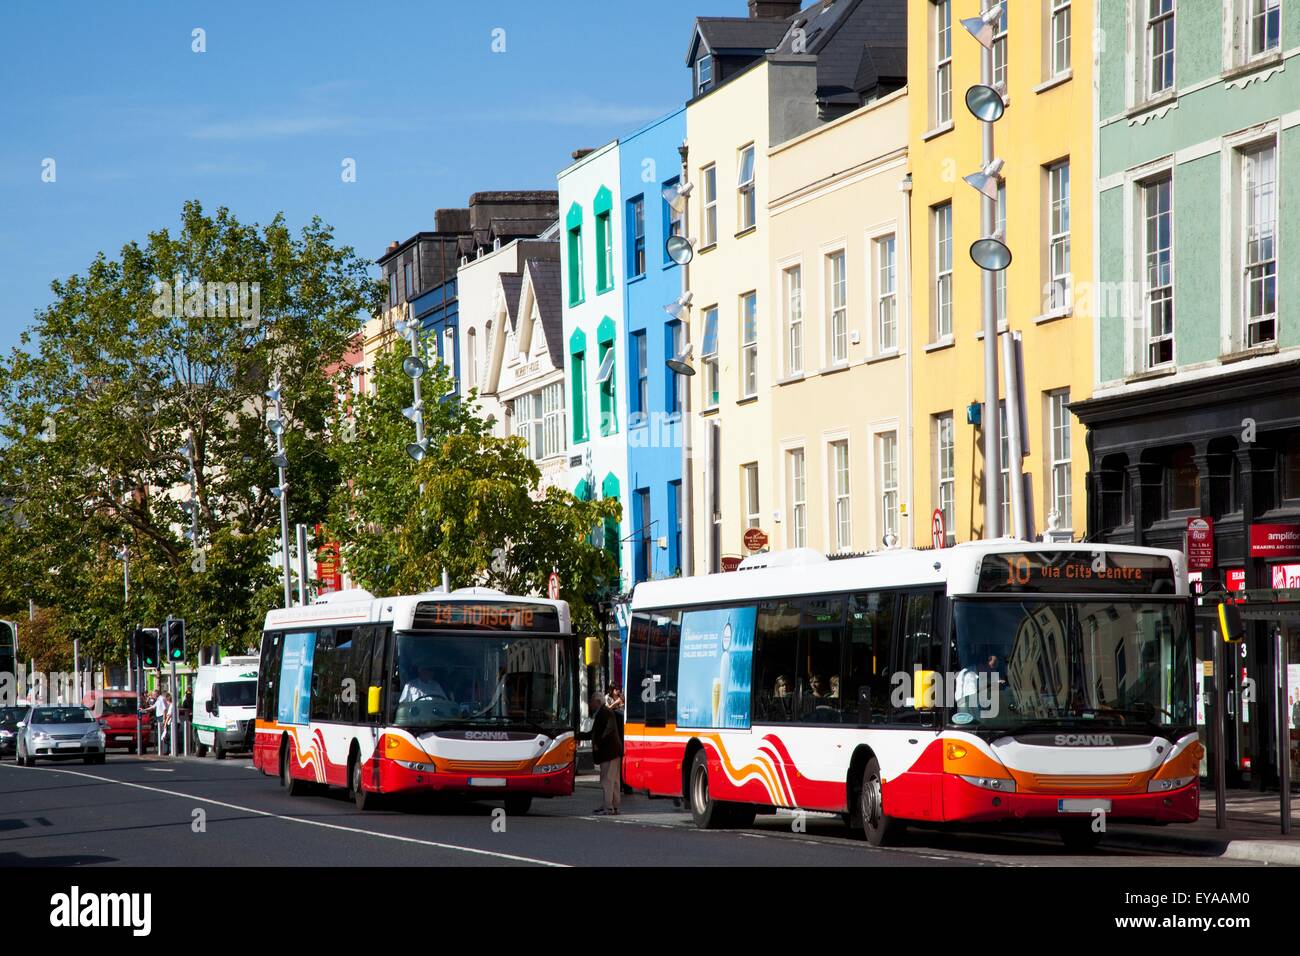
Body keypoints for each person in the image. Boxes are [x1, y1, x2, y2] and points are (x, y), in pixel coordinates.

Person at [590, 691, 623, 815]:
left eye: (591, 701)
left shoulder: (604, 712)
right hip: (614, 751)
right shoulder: (604, 712)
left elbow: (608, 730)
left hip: (608, 752)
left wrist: (598, 743)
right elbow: (594, 732)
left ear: (597, 702)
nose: (590, 704)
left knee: (607, 780)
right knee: (613, 780)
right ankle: (613, 806)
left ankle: (608, 807)